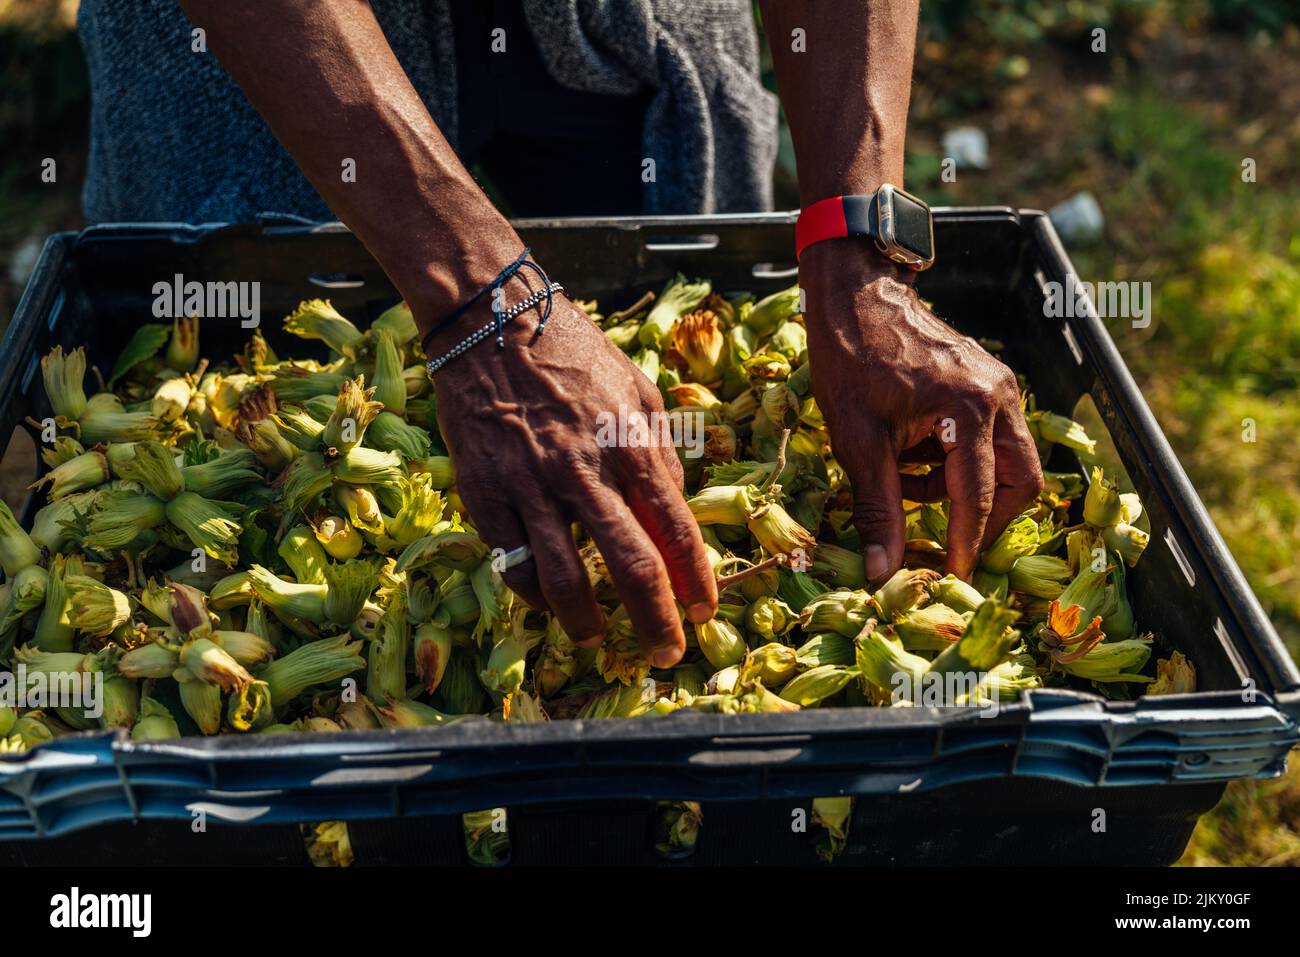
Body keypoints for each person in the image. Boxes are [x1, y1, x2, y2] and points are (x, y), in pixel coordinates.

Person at [77, 0, 1041, 669]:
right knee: (251, 323)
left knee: (667, 270)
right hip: (266, 48)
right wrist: (480, 309)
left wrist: (857, 244)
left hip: (614, 32)